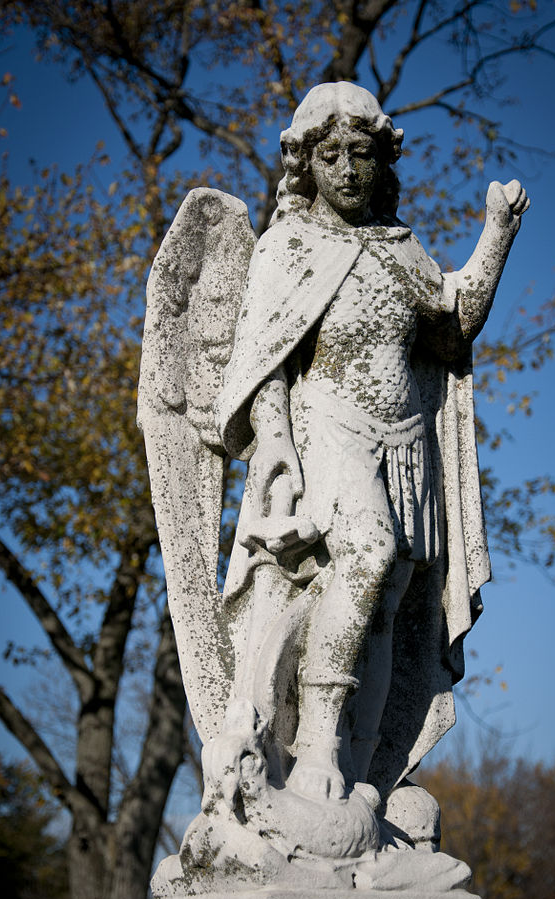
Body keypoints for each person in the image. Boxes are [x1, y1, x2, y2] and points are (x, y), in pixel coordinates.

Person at [215, 81, 528, 808]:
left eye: (363, 154)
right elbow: (264, 359)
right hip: (328, 427)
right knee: (365, 552)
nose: (349, 170)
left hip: (409, 440)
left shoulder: (399, 249)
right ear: (306, 164)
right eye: (332, 155)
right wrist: (277, 441)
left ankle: (363, 772)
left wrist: (496, 234)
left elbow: (452, 326)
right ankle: (318, 741)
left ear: (384, 161)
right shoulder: (288, 245)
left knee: (389, 601)